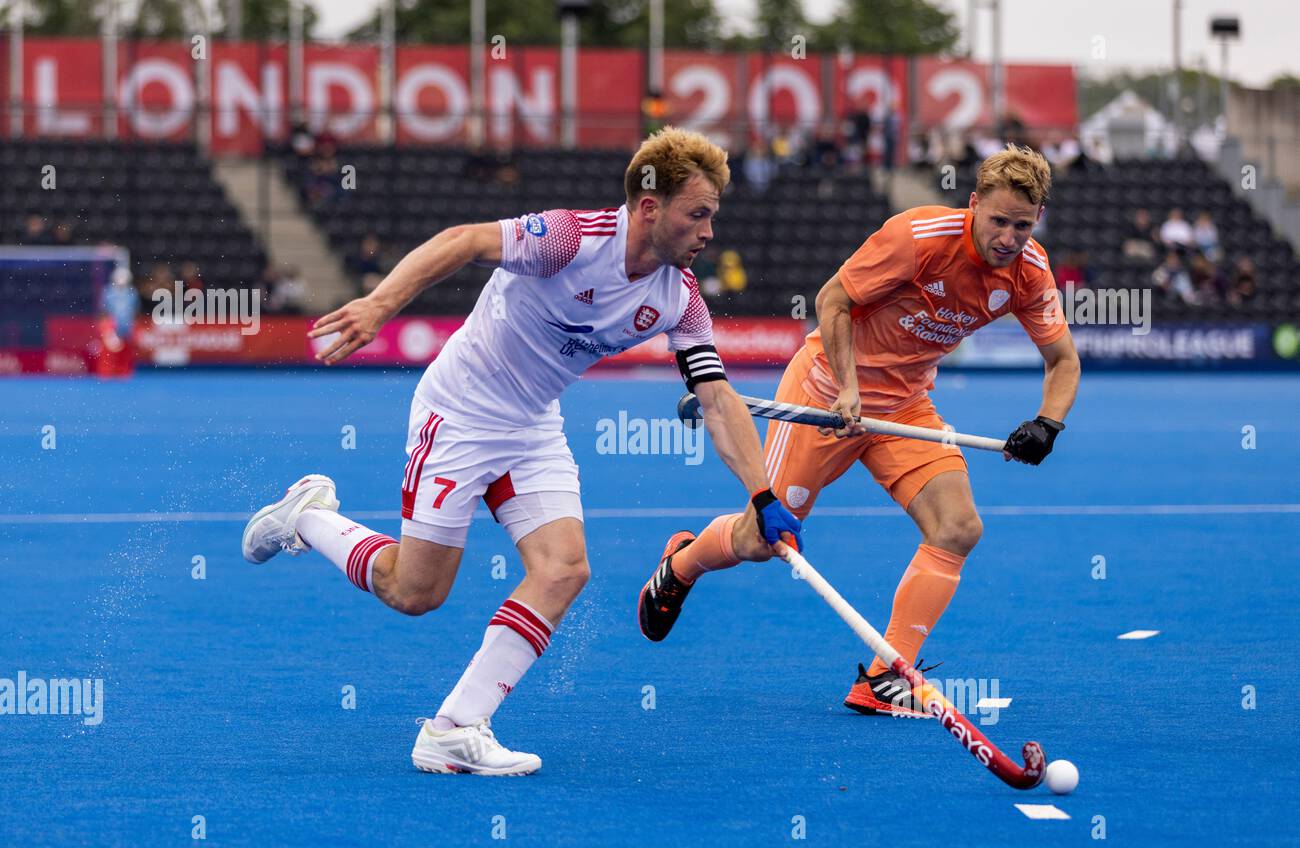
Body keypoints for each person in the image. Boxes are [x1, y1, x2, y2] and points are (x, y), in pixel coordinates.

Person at [242, 128, 801, 775]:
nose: (708, 231)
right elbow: (464, 241)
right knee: (415, 591)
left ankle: (454, 728)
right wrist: (379, 305)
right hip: (461, 413)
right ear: (650, 207)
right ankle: (308, 516)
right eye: (697, 214)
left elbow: (717, 398)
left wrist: (762, 498)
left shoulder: (678, 296)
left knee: (564, 569)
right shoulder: (572, 239)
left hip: (532, 426)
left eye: (713, 217)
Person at [637, 144, 1081, 717]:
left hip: (906, 406)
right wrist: (848, 386)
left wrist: (1048, 422)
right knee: (762, 539)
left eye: (1022, 225)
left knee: (958, 527)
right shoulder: (918, 237)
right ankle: (681, 564)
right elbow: (834, 300)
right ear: (973, 205)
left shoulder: (1029, 272)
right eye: (997, 221)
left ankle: (884, 677)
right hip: (826, 391)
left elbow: (1063, 362)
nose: (1008, 237)